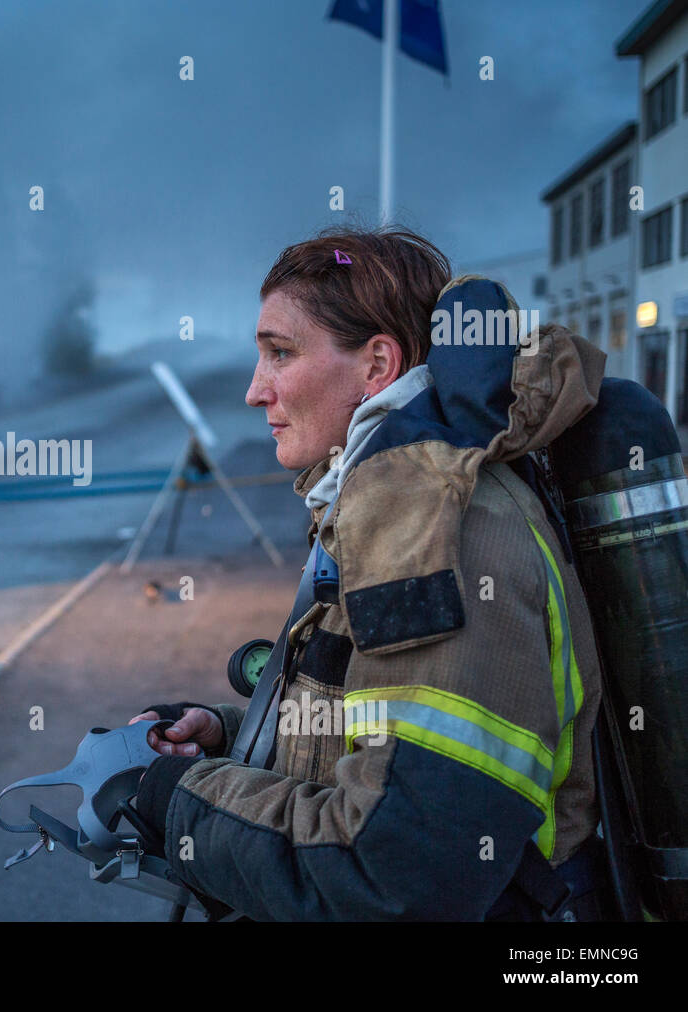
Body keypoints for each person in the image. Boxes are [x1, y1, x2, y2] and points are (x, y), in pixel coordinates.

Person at [129, 226, 608, 921]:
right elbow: (383, 754)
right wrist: (229, 739)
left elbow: (396, 871)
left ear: (377, 364)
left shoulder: (442, 527)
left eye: (280, 353)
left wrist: (184, 802)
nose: (254, 390)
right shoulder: (391, 500)